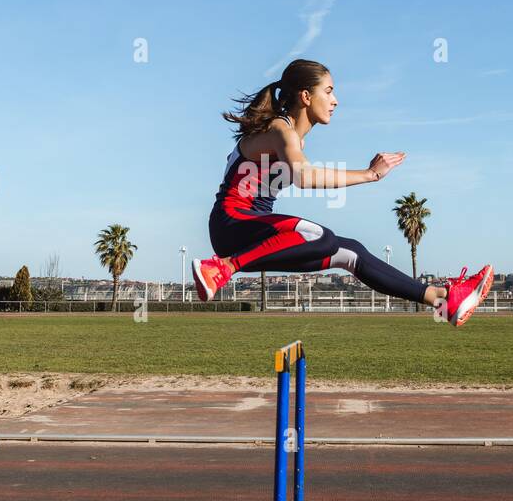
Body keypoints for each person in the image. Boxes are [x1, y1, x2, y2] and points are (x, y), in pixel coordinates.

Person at [192, 59, 493, 326]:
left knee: (351, 252)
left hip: (247, 231)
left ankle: (443, 300)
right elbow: (304, 177)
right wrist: (369, 174)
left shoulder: (290, 136)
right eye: (329, 91)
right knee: (321, 237)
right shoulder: (279, 128)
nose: (335, 100)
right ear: (306, 96)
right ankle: (221, 268)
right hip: (233, 224)